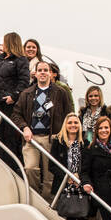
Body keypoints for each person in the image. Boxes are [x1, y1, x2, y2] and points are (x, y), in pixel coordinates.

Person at [14, 59, 76, 194]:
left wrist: (66, 135)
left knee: (50, 174)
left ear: (50, 73)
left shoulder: (60, 93)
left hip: (52, 138)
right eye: (40, 70)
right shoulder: (26, 93)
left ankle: (47, 201)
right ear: (35, 74)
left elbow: (69, 114)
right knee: (30, 168)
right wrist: (25, 127)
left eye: (46, 70)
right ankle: (35, 195)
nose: (43, 73)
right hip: (32, 138)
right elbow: (16, 115)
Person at [0, 32, 31, 159]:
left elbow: (24, 80)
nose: (3, 44)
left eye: (5, 42)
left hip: (9, 103)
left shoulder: (20, 60)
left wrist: (14, 96)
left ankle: (9, 163)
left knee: (9, 136)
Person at [49, 113, 90, 220]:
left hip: (79, 188)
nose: (73, 125)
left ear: (80, 125)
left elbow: (87, 167)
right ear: (65, 125)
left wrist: (79, 178)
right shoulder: (58, 142)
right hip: (62, 186)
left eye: (76, 122)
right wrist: (67, 177)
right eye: (70, 122)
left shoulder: (85, 144)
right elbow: (52, 166)